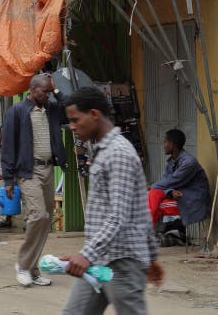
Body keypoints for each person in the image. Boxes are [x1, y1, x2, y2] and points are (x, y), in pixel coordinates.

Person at [61, 87, 164, 314]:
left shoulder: (118, 153)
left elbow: (120, 216)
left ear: (94, 115)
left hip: (122, 262)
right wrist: (151, 255)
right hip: (100, 258)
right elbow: (139, 208)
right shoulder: (102, 150)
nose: (72, 127)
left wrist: (85, 255)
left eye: (76, 120)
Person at [1, 73, 67, 287]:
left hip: (48, 169)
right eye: (44, 91)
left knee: (45, 220)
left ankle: (33, 269)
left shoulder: (52, 110)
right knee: (38, 214)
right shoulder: (17, 112)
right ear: (33, 90)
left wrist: (57, 90)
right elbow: (8, 146)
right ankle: (22, 264)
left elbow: (69, 110)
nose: (47, 95)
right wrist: (8, 179)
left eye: (49, 91)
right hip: (28, 171)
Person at [148, 128, 210, 228]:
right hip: (179, 196)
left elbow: (171, 181)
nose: (163, 146)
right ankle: (147, 233)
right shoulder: (171, 161)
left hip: (193, 200)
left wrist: (151, 186)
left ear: (172, 144)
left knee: (153, 204)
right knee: (153, 195)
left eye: (165, 142)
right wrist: (171, 192)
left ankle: (146, 234)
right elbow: (167, 182)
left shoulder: (189, 162)